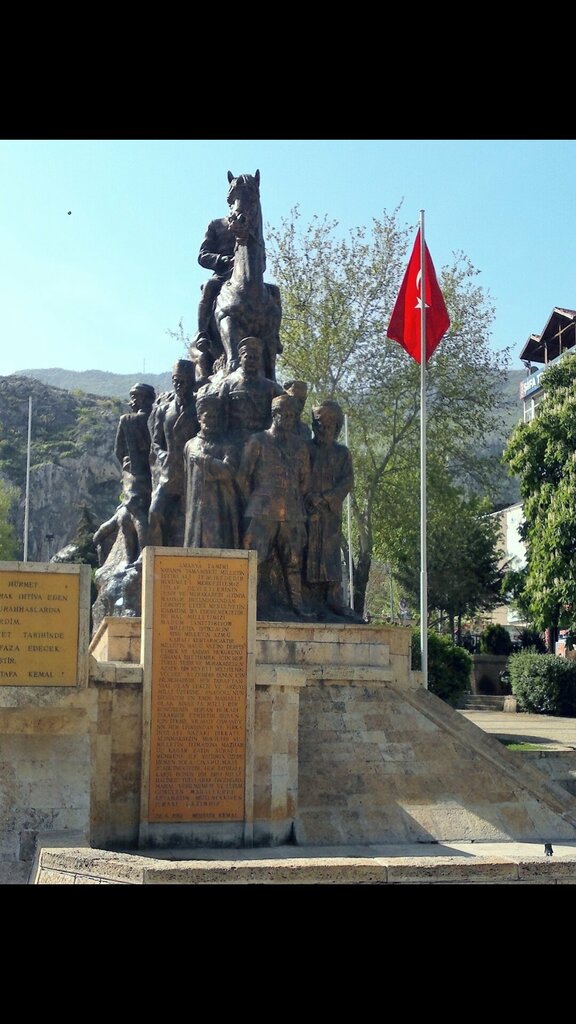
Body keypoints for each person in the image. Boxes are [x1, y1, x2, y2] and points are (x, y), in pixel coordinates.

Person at [237, 393, 313, 618]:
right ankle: (250, 605)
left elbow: (305, 480)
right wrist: (254, 499)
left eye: (293, 416)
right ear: (274, 414)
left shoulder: (300, 446)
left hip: (292, 513)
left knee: (294, 561)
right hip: (261, 512)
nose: (289, 419)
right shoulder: (258, 441)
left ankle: (298, 605)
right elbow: (242, 476)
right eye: (285, 415)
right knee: (255, 560)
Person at [93, 382, 156, 566]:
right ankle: (134, 557)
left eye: (136, 396)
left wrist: (127, 465)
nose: (133, 401)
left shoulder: (127, 420)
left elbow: (118, 451)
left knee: (136, 513)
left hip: (135, 473)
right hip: (153, 472)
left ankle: (141, 556)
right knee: (129, 515)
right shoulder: (157, 416)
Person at [305, 399, 358, 618]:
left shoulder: (342, 453)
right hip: (307, 510)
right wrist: (309, 497)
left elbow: (348, 480)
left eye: (329, 425)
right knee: (307, 552)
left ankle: (333, 600)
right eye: (319, 424)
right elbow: (298, 476)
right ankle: (309, 600)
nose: (323, 429)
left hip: (330, 512)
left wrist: (328, 497)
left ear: (337, 428)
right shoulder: (306, 449)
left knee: (330, 554)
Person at [147, 359, 200, 547]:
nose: (178, 384)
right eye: (175, 380)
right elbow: (155, 442)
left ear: (192, 382)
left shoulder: (199, 408)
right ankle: (154, 554)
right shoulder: (163, 410)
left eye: (183, 380)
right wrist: (162, 455)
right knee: (155, 512)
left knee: (190, 521)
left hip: (191, 474)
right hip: (168, 473)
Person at [183, 392, 242, 549]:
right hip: (195, 508)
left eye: (215, 417)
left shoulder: (228, 445)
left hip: (219, 509)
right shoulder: (190, 445)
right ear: (199, 418)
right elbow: (187, 480)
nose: (212, 421)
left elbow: (229, 472)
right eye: (208, 417)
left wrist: (205, 460)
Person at [214, 336, 284, 447]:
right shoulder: (228, 384)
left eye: (256, 358)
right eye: (248, 357)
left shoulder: (270, 387)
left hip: (263, 443)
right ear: (240, 358)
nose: (252, 361)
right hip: (235, 443)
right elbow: (221, 417)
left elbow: (285, 405)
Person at [191, 209, 237, 374]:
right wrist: (221, 260)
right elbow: (203, 256)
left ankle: (274, 339)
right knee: (208, 287)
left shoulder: (252, 226)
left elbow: (262, 259)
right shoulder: (217, 225)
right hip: (222, 274)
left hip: (245, 274)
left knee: (273, 293)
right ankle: (203, 334)